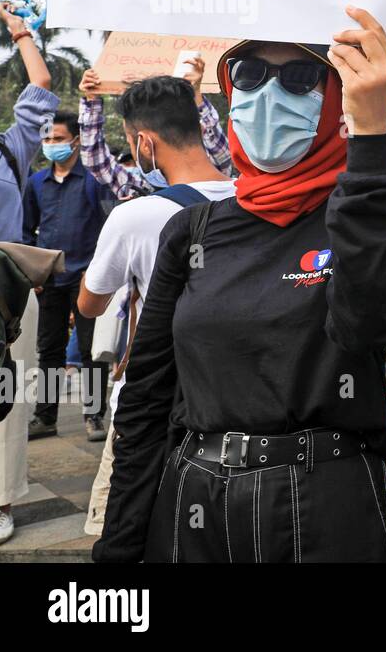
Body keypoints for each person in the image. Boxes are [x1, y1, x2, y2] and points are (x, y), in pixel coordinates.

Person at [93, 7, 386, 563]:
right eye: (248, 73)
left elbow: (370, 321)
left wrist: (369, 136)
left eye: (299, 77)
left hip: (327, 510)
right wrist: (121, 542)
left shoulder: (369, 210)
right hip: (198, 507)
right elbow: (146, 400)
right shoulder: (193, 231)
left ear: (338, 98)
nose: (268, 93)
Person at [75, 75, 236, 536]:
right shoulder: (254, 201)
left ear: (143, 141)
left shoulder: (135, 215)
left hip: (152, 406)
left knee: (123, 529)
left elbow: (90, 304)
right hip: (232, 400)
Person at [0, 2, 59, 545]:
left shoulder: (10, 148)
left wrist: (20, 32)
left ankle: (0, 500)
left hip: (7, 295)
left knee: (9, 397)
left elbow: (40, 81)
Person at [22, 111, 110, 441]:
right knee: (50, 349)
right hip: (49, 279)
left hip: (87, 276)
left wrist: (97, 270)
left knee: (91, 350)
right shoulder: (36, 183)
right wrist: (34, 270)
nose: (50, 144)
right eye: (47, 139)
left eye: (57, 138)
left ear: (76, 140)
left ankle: (94, 416)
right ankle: (45, 417)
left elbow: (108, 227)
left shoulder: (93, 181)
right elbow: (26, 229)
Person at [78, 57, 234, 201]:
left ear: (144, 144)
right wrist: (91, 101)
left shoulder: (220, 182)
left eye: (131, 142)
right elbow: (97, 161)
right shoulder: (143, 189)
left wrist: (196, 95)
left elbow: (220, 154)